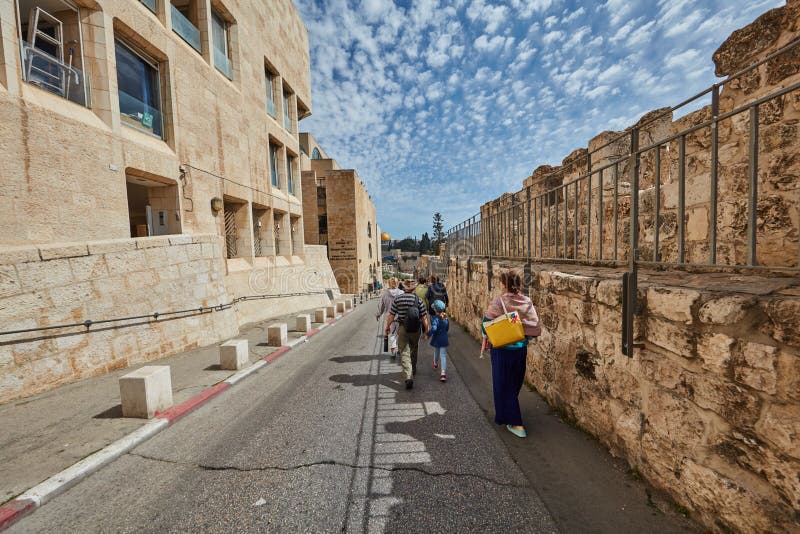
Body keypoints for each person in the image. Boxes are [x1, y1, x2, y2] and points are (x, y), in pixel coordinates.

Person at [482, 269, 541, 439]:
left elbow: (485, 324)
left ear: (504, 284)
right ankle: (510, 410)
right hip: (520, 349)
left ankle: (516, 422)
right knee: (514, 382)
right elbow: (534, 326)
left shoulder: (499, 302)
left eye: (501, 282)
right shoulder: (527, 301)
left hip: (502, 350)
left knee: (503, 384)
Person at [386, 280, 429, 389]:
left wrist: (387, 326)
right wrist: (426, 331)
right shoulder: (418, 300)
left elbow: (391, 315)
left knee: (404, 351)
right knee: (414, 348)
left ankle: (408, 376)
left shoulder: (398, 299)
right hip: (415, 329)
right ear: (414, 289)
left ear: (404, 288)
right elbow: (424, 317)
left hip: (403, 328)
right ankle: (412, 369)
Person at [376, 278, 403, 357]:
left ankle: (393, 350)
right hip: (400, 316)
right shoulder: (401, 293)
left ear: (389, 284)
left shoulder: (385, 294)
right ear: (397, 283)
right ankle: (400, 349)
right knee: (400, 333)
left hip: (389, 317)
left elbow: (381, 306)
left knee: (392, 334)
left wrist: (378, 314)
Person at [427, 299, 449, 382]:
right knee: (443, 355)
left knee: (436, 352)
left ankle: (435, 363)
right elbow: (447, 328)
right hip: (444, 338)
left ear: (435, 310)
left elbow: (434, 328)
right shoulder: (446, 318)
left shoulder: (436, 319)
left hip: (437, 339)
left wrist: (428, 334)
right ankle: (443, 373)